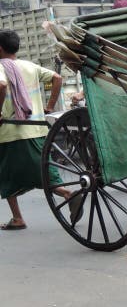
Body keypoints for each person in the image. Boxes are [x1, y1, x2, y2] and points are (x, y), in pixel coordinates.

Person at [0, 29, 80, 230]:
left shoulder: (1, 67)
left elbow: (1, 86)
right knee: (44, 170)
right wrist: (50, 106)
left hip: (11, 133)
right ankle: (65, 193)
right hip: (37, 131)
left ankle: (18, 217)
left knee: (6, 177)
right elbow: (57, 78)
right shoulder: (29, 66)